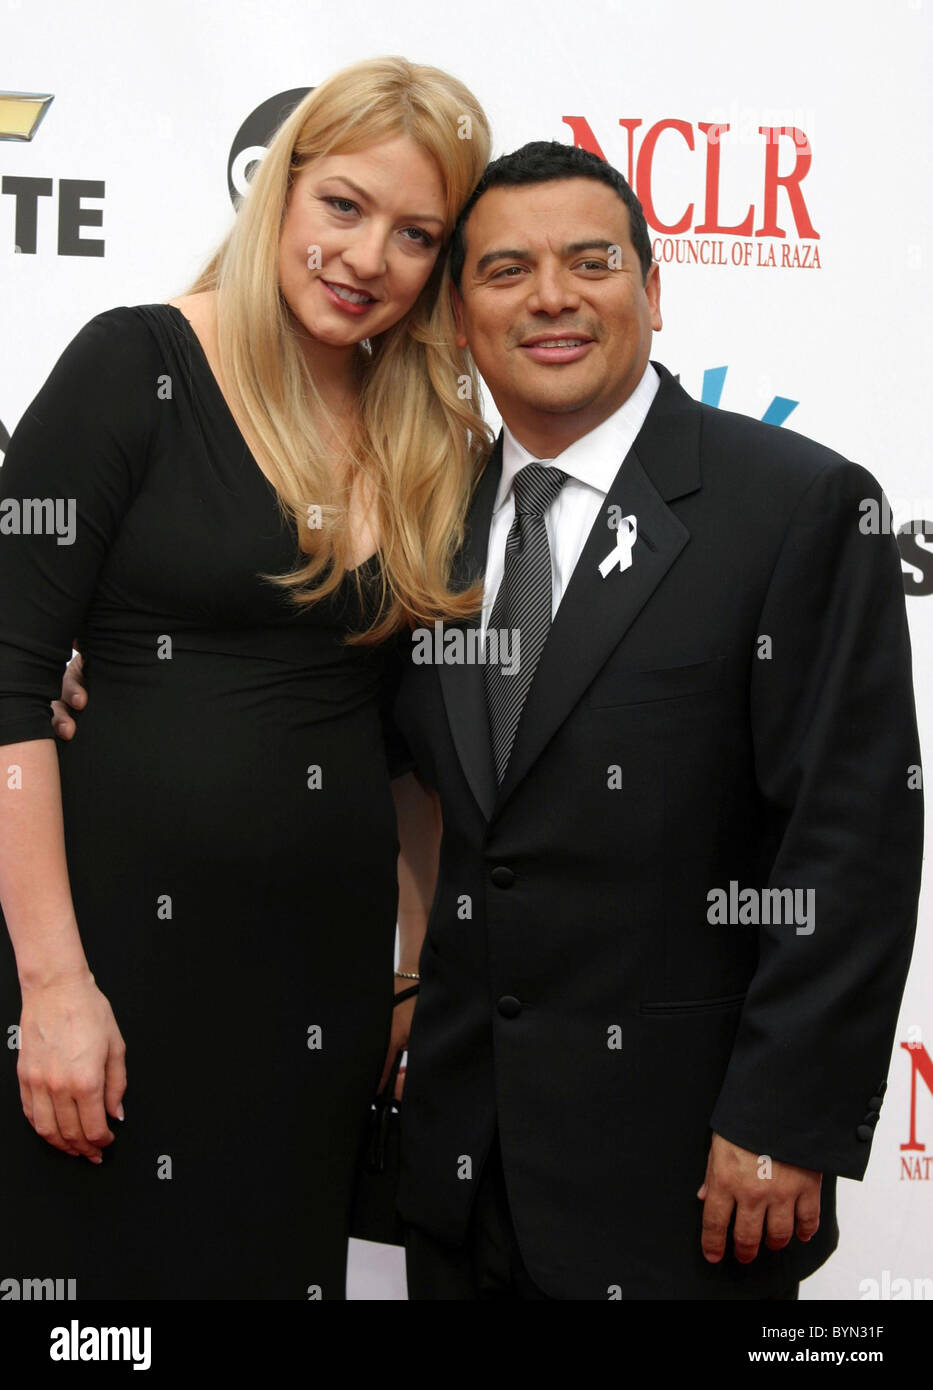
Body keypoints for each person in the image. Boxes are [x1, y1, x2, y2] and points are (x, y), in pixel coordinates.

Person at [385, 141, 924, 1299]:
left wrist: (785, 1116)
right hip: (462, 1176)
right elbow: (353, 754)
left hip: (685, 1185)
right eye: (506, 271)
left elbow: (852, 840)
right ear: (461, 320)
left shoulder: (797, 505)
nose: (552, 298)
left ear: (653, 289)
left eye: (591, 261)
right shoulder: (425, 528)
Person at [0, 56, 490, 1299]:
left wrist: (415, 970)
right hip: (112, 958)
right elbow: (5, 686)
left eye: (415, 233)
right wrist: (53, 986)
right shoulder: (134, 366)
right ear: (281, 188)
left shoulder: (434, 437)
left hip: (316, 984)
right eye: (343, 205)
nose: (367, 256)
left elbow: (415, 751)